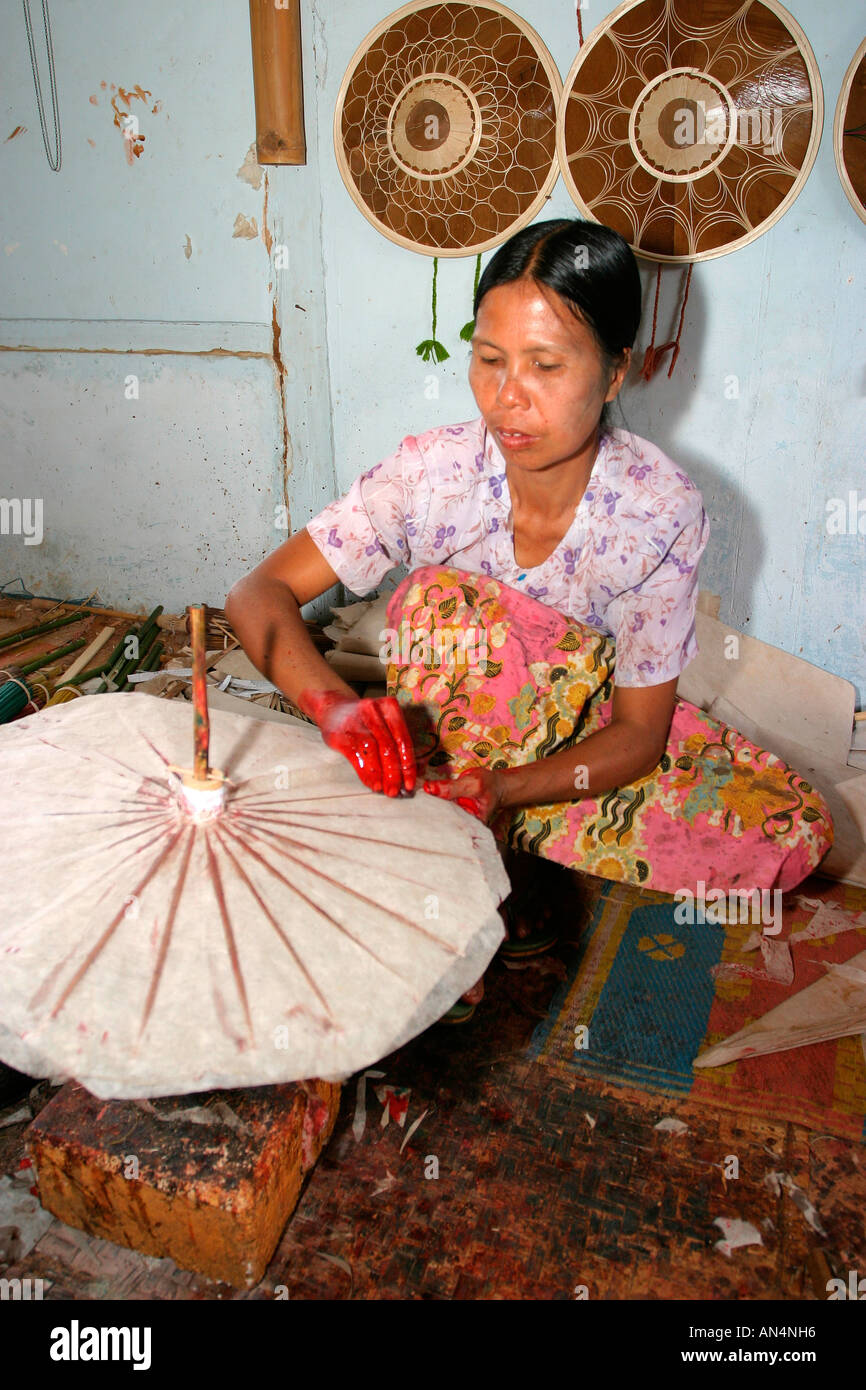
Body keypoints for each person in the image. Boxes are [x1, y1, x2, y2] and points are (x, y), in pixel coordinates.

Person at [225, 218, 833, 1022]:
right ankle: (462, 847)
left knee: (792, 826)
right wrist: (333, 706)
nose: (507, 399)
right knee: (447, 604)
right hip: (445, 731)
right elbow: (256, 593)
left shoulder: (658, 509)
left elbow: (640, 733)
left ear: (616, 372)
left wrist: (507, 788)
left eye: (546, 366)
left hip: (557, 749)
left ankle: (478, 824)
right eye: (489, 360)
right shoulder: (431, 475)